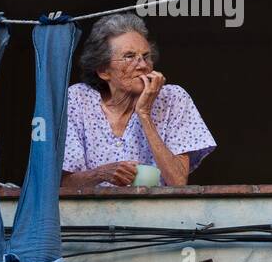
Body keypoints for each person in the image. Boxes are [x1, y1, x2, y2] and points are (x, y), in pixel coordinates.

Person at [61, 13, 215, 188]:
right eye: (129, 56)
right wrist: (101, 174)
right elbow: (64, 185)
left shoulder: (173, 98)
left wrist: (144, 114)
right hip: (92, 214)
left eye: (146, 56)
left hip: (155, 214)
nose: (142, 65)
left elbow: (177, 182)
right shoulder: (77, 100)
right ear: (104, 70)